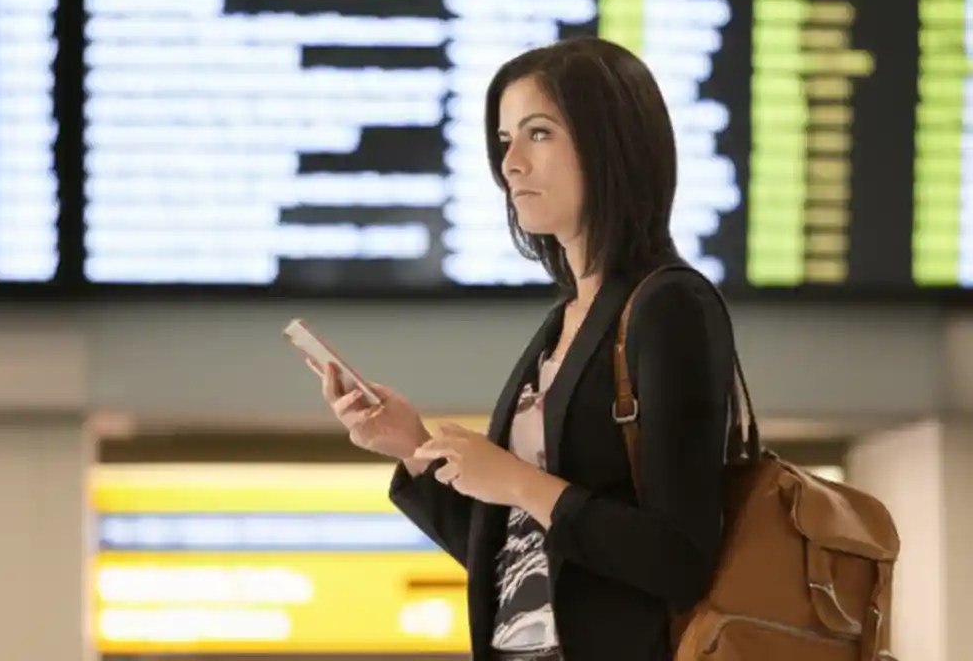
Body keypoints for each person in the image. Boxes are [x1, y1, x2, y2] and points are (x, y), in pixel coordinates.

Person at [308, 37, 737, 660]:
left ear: (611, 142)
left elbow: (680, 560)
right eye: (505, 141)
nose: (510, 164)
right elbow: (516, 559)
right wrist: (413, 448)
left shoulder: (669, 307)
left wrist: (515, 480)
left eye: (538, 134)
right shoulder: (564, 322)